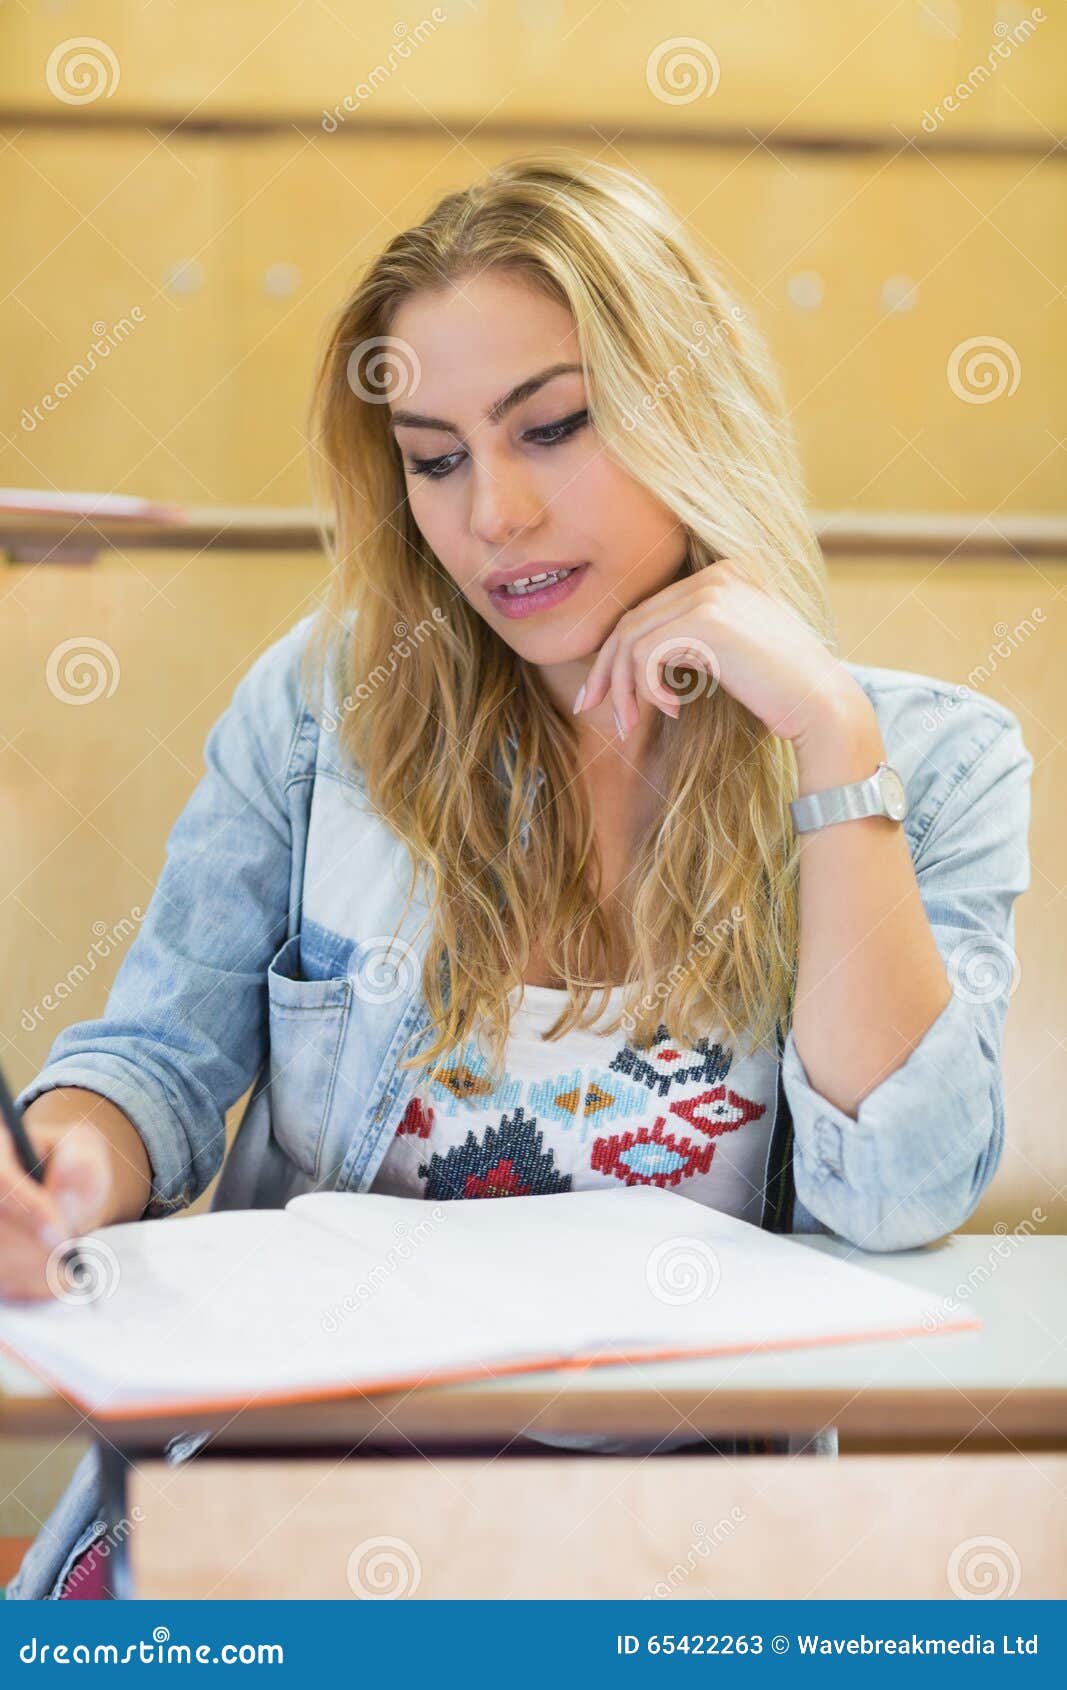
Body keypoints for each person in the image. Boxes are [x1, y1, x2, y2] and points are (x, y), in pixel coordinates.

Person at [2, 153, 1032, 1599]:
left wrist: (829, 738)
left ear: (692, 409)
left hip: (672, 1571)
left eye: (551, 428)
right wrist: (58, 1174)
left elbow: (899, 1196)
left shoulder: (933, 757)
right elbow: (152, 1065)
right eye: (433, 456)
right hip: (270, 1534)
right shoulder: (321, 715)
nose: (492, 515)